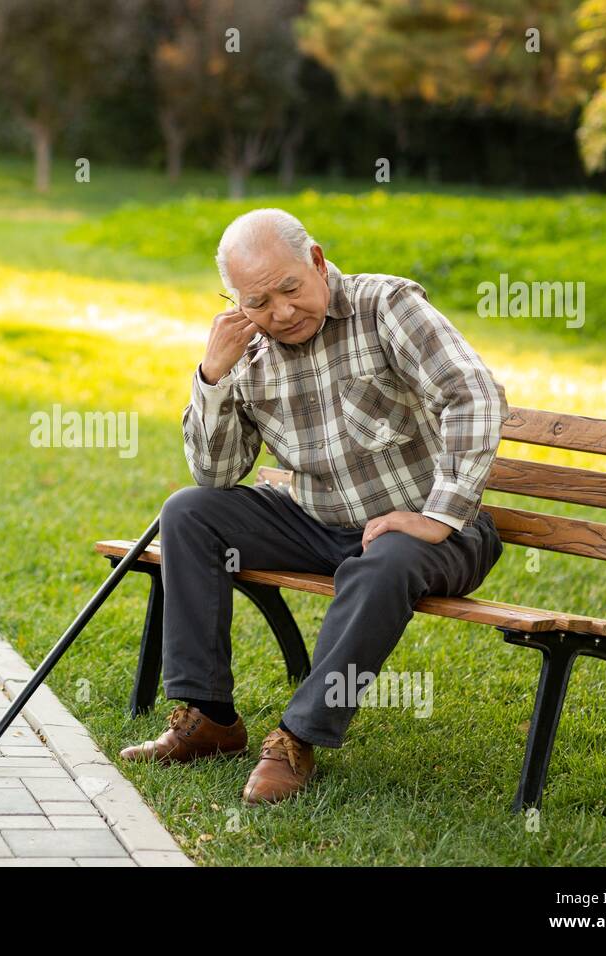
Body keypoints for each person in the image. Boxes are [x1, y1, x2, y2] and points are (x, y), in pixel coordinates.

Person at [119, 208, 507, 805]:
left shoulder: (386, 307)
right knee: (189, 512)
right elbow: (216, 472)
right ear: (234, 301)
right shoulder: (247, 351)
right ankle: (210, 718)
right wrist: (212, 377)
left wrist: (437, 515)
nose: (279, 313)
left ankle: (298, 737)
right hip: (319, 523)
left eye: (290, 289)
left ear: (318, 262)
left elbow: (474, 393)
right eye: (257, 302)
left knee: (386, 561)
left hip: (433, 532)